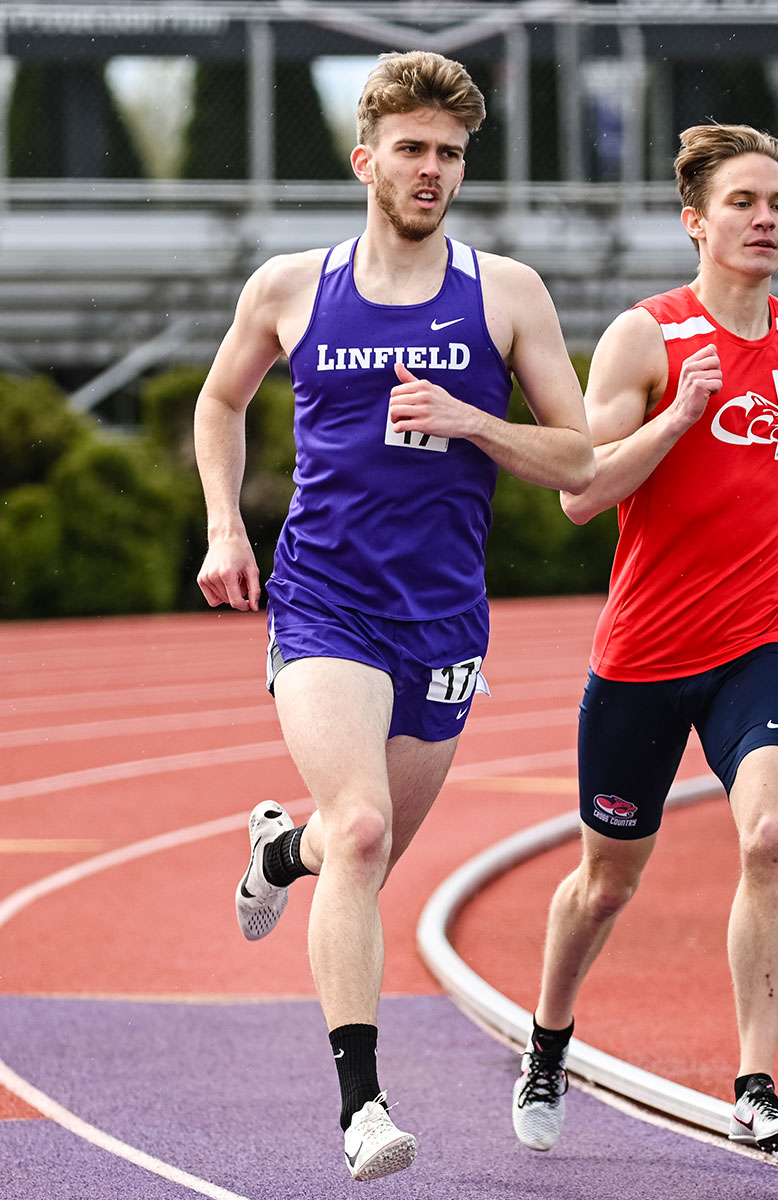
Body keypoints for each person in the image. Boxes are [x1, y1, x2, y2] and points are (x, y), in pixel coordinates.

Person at [194, 51, 593, 1182]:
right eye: (411, 149)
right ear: (365, 159)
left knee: (352, 851)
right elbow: (221, 398)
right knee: (362, 830)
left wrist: (476, 421)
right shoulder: (291, 287)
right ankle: (362, 1106)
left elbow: (578, 458)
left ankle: (280, 848)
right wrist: (225, 527)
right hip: (325, 599)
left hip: (444, 617)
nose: (431, 170)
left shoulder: (506, 293)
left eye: (450, 154)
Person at [509, 123, 778, 1157]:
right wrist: (677, 418)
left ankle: (756, 1084)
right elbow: (582, 493)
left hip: (758, 639)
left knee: (770, 836)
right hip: (643, 653)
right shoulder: (647, 338)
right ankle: (548, 1039)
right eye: (743, 204)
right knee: (606, 884)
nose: (766, 221)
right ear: (695, 223)